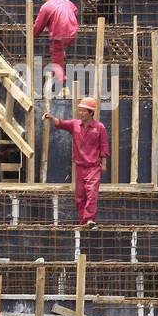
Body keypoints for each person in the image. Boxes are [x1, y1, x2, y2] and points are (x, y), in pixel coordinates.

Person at [43, 96, 108, 229]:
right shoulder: (75, 125)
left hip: (93, 167)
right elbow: (60, 123)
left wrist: (104, 163)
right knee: (79, 196)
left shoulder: (99, 127)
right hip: (79, 166)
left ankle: (89, 219)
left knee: (91, 193)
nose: (81, 113)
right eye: (80, 110)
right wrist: (51, 117)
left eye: (84, 111)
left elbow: (104, 145)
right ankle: (84, 222)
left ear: (91, 113)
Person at [32, 0, 78, 84]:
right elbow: (75, 11)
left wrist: (32, 35)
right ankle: (63, 54)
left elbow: (38, 26)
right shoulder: (66, 2)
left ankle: (61, 82)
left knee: (56, 55)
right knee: (61, 49)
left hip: (59, 35)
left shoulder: (46, 7)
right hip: (72, 33)